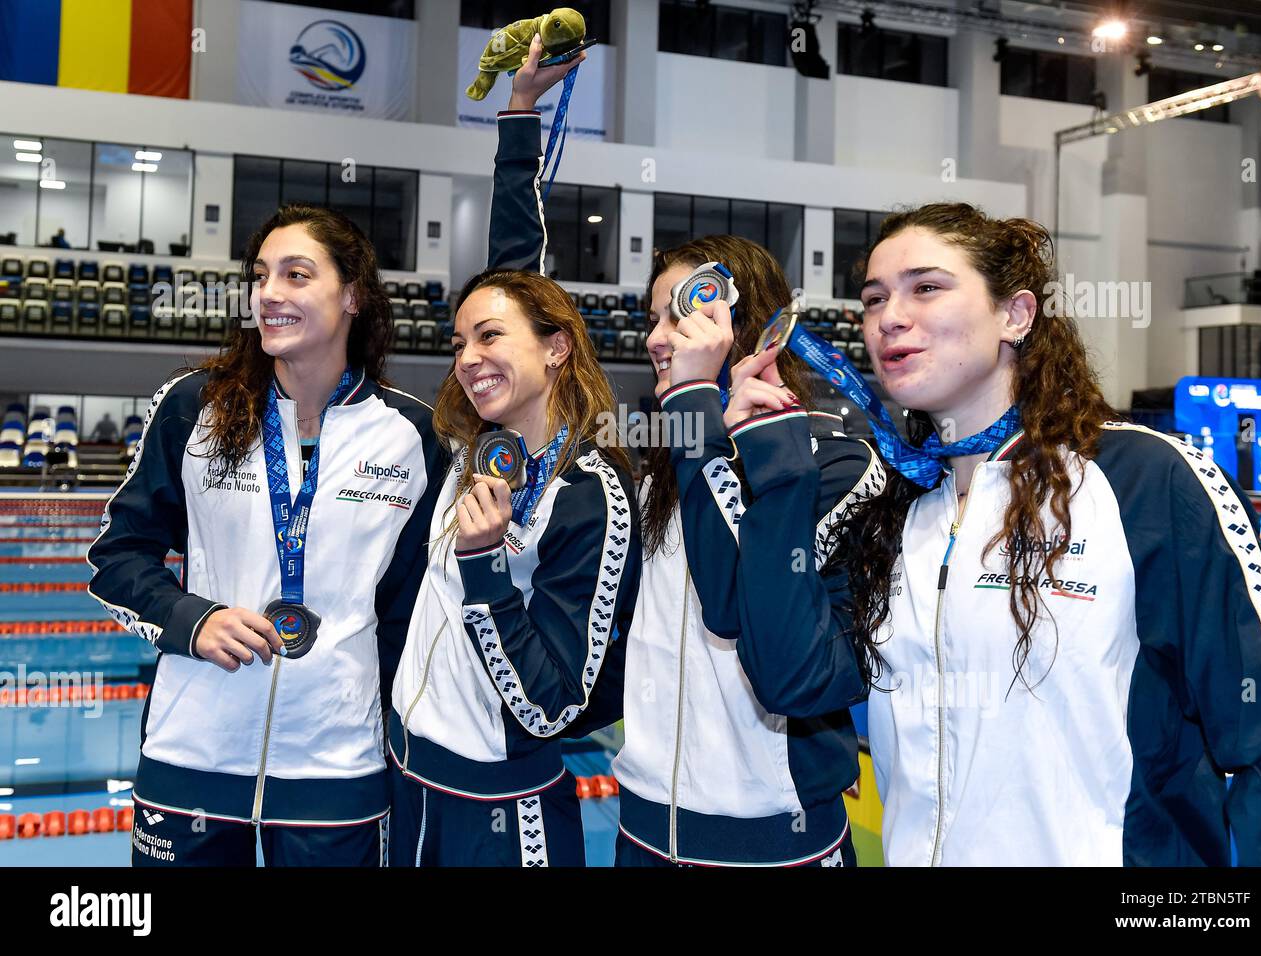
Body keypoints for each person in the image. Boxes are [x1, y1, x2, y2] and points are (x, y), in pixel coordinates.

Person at [725, 202, 1261, 866]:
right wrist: (773, 477)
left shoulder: (1144, 481)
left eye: (927, 287)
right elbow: (793, 682)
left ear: (1015, 315)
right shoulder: (896, 510)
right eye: (875, 299)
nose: (890, 317)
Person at [475, 42, 881, 866]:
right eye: (654, 319)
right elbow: (515, 309)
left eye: (681, 317)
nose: (656, 338)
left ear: (751, 324)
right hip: (643, 825)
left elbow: (738, 602)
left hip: (774, 840)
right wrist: (522, 123)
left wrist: (700, 409)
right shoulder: (653, 453)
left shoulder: (834, 457)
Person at [88, 204, 444, 866]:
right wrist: (189, 618)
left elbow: (413, 615)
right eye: (260, 276)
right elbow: (117, 555)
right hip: (191, 751)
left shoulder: (412, 436)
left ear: (353, 295)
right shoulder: (196, 407)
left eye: (297, 274)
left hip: (337, 764)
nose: (270, 293)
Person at [386, 37, 641, 868]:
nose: (468, 357)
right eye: (459, 341)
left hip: (501, 816)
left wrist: (486, 565)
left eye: (490, 336)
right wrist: (519, 115)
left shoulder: (588, 494)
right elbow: (510, 261)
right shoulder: (473, 450)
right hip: (405, 780)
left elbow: (551, 707)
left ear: (558, 348)